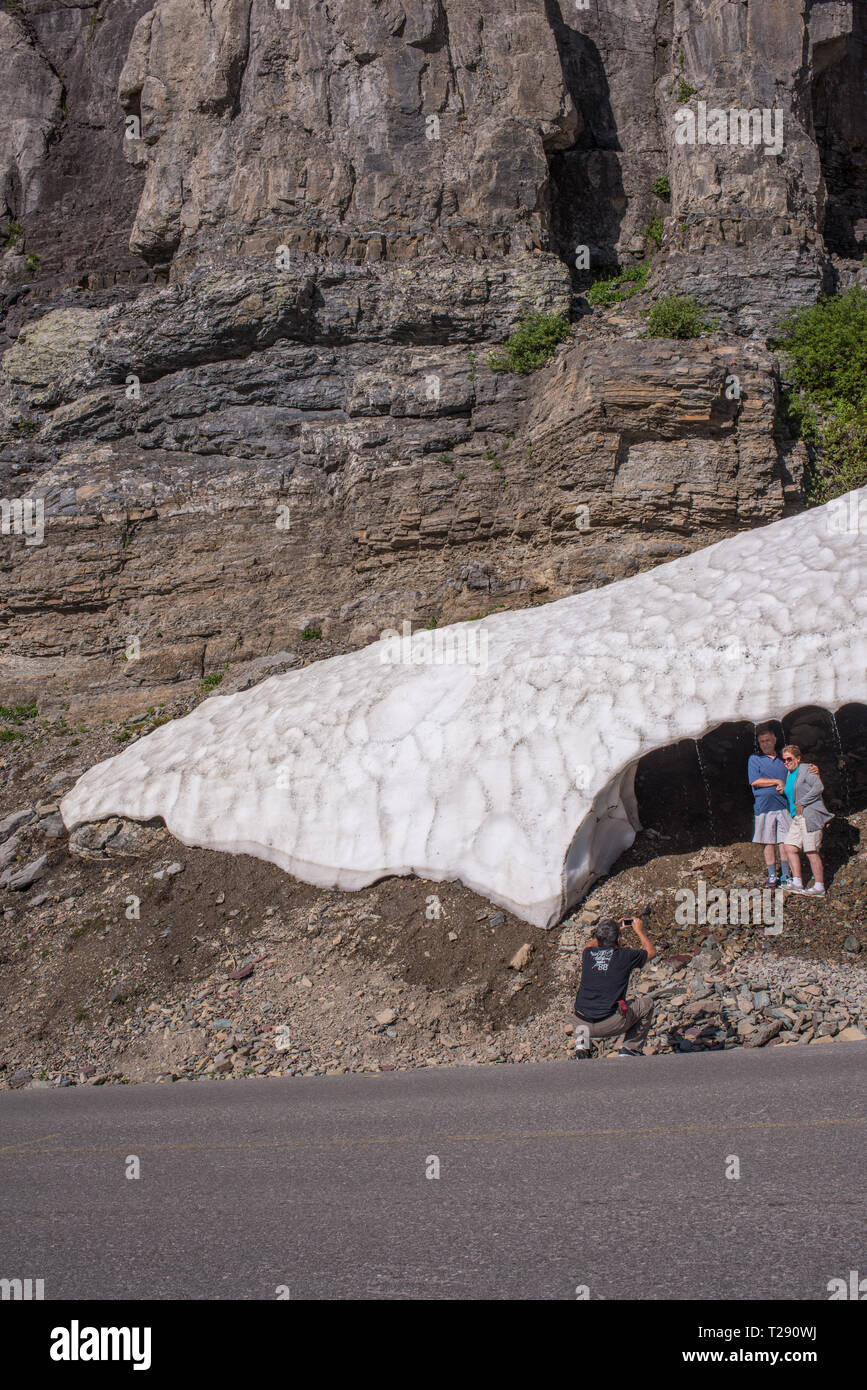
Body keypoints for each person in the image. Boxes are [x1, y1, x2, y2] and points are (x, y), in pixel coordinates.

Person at [573, 913, 656, 1057]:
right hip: (610, 1023)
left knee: (585, 1007)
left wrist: (610, 932)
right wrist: (639, 931)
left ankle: (582, 1044)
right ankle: (630, 1048)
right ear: (618, 940)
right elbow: (651, 952)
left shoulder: (588, 954)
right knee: (646, 1004)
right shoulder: (625, 955)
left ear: (598, 939)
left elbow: (588, 945)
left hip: (580, 1023)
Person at [778, 745, 833, 895]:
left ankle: (819, 887)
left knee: (811, 851)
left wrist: (802, 802)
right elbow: (794, 790)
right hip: (797, 817)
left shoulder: (807, 769)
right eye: (784, 760)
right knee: (789, 846)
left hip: (809, 815)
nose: (787, 762)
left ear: (798, 758)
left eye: (790, 759)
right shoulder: (790, 774)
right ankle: (797, 882)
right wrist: (783, 789)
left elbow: (818, 787)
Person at [748, 726, 794, 887]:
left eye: (768, 740)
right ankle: (772, 875)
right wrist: (777, 781)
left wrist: (812, 770)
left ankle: (786, 875)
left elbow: (795, 772)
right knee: (768, 841)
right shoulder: (754, 759)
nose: (765, 744)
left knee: (784, 841)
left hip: (783, 805)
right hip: (764, 806)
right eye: (762, 742)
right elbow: (755, 781)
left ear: (774, 740)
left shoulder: (783, 759)